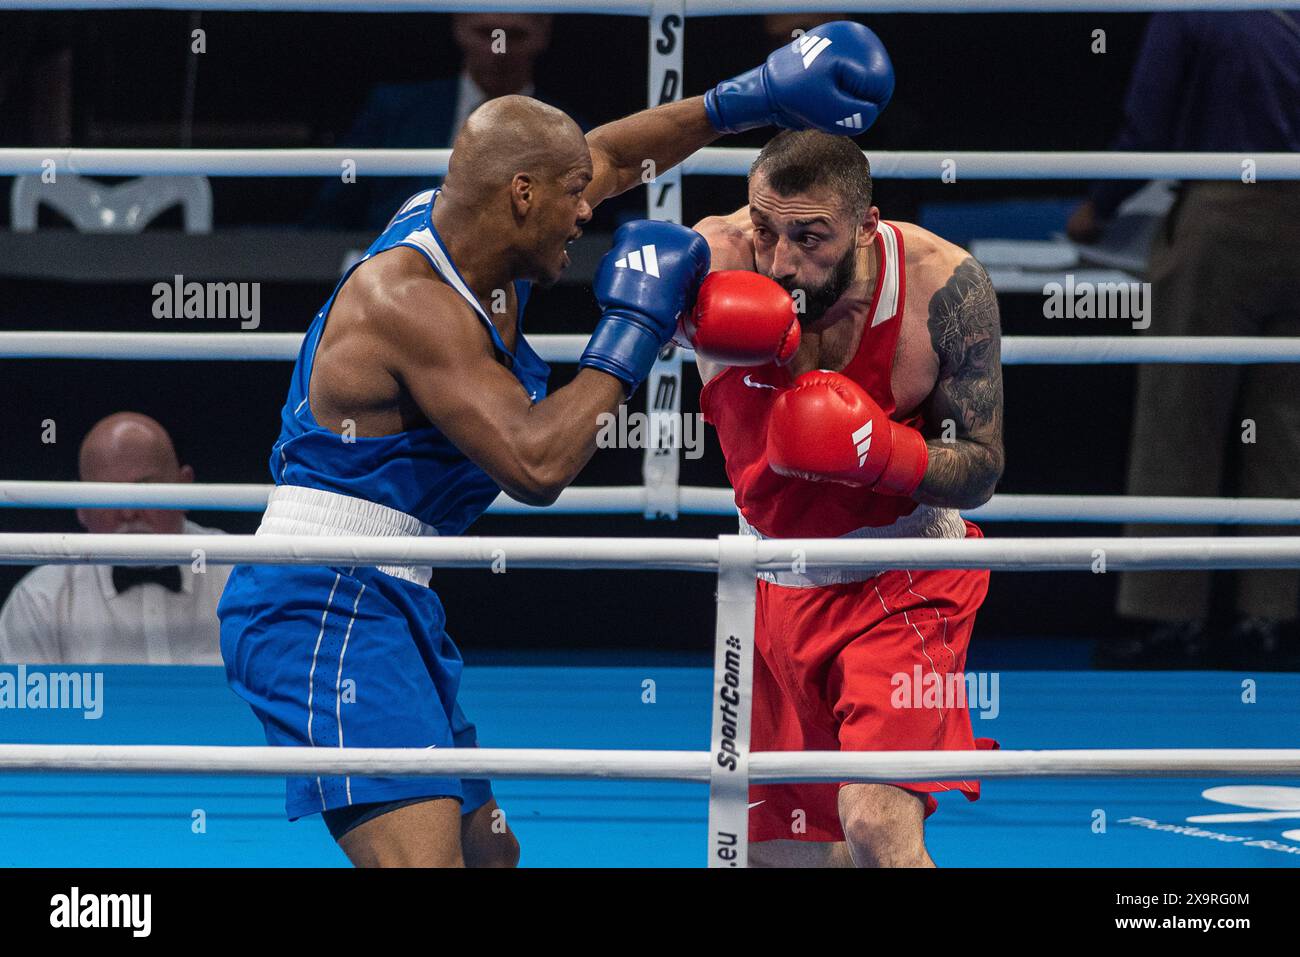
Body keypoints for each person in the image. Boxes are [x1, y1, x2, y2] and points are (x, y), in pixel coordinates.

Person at [217, 22, 897, 868]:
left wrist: (747, 100)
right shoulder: (409, 301)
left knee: (491, 856)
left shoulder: (479, 220)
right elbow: (537, 464)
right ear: (522, 195)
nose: (591, 209)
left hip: (390, 595)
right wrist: (634, 329)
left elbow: (609, 156)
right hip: (320, 599)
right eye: (573, 197)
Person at [685, 129, 1004, 867]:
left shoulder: (944, 286)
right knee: (778, 856)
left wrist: (879, 449)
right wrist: (637, 311)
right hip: (770, 583)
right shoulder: (713, 261)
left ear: (866, 225)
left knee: (875, 823)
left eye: (810, 237)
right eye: (766, 229)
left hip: (905, 577)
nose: (781, 260)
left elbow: (983, 467)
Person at [1067, 12, 1300, 670]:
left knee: (1181, 412)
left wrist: (1100, 207)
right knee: (1285, 424)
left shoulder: (1194, 7)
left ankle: (1167, 617)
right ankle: (1272, 619)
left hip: (1227, 210)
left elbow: (1149, 122)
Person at [304, 14, 579, 232]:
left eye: (516, 35)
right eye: (485, 33)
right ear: (459, 25)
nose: (499, 50)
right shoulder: (395, 110)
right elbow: (330, 216)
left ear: (543, 34)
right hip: (398, 275)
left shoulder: (574, 130)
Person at [0, 412, 228, 665]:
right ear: (80, 506)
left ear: (186, 487)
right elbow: (27, 704)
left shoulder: (240, 575)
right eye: (107, 494)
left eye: (145, 490)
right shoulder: (40, 600)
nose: (128, 513)